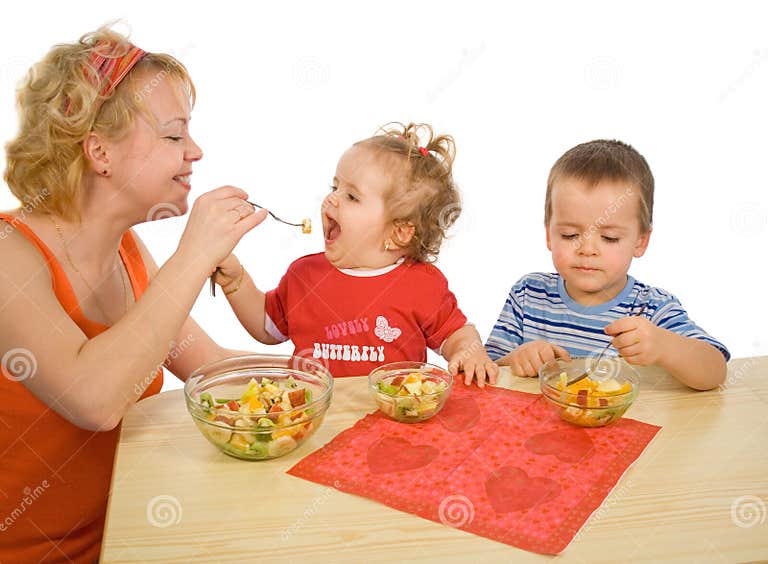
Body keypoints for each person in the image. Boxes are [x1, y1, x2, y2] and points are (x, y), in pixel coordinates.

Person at [0, 27, 265, 561]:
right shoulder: (8, 254)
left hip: (127, 544)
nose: (195, 151)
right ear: (98, 150)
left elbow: (211, 367)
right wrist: (195, 254)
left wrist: (335, 364)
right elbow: (94, 401)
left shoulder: (130, 253)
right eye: (173, 136)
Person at [213, 122, 499, 386]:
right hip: (316, 422)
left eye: (351, 196)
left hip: (391, 423)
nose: (331, 199)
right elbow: (267, 328)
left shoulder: (423, 284)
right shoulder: (303, 275)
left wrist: (467, 352)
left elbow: (456, 334)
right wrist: (236, 282)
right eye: (335, 187)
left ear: (399, 232)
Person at [485, 139, 729, 390]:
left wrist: (664, 346)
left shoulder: (651, 307)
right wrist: (516, 359)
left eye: (609, 238)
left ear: (640, 241)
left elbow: (714, 372)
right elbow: (486, 368)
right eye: (569, 235)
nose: (587, 249)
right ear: (549, 235)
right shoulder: (528, 294)